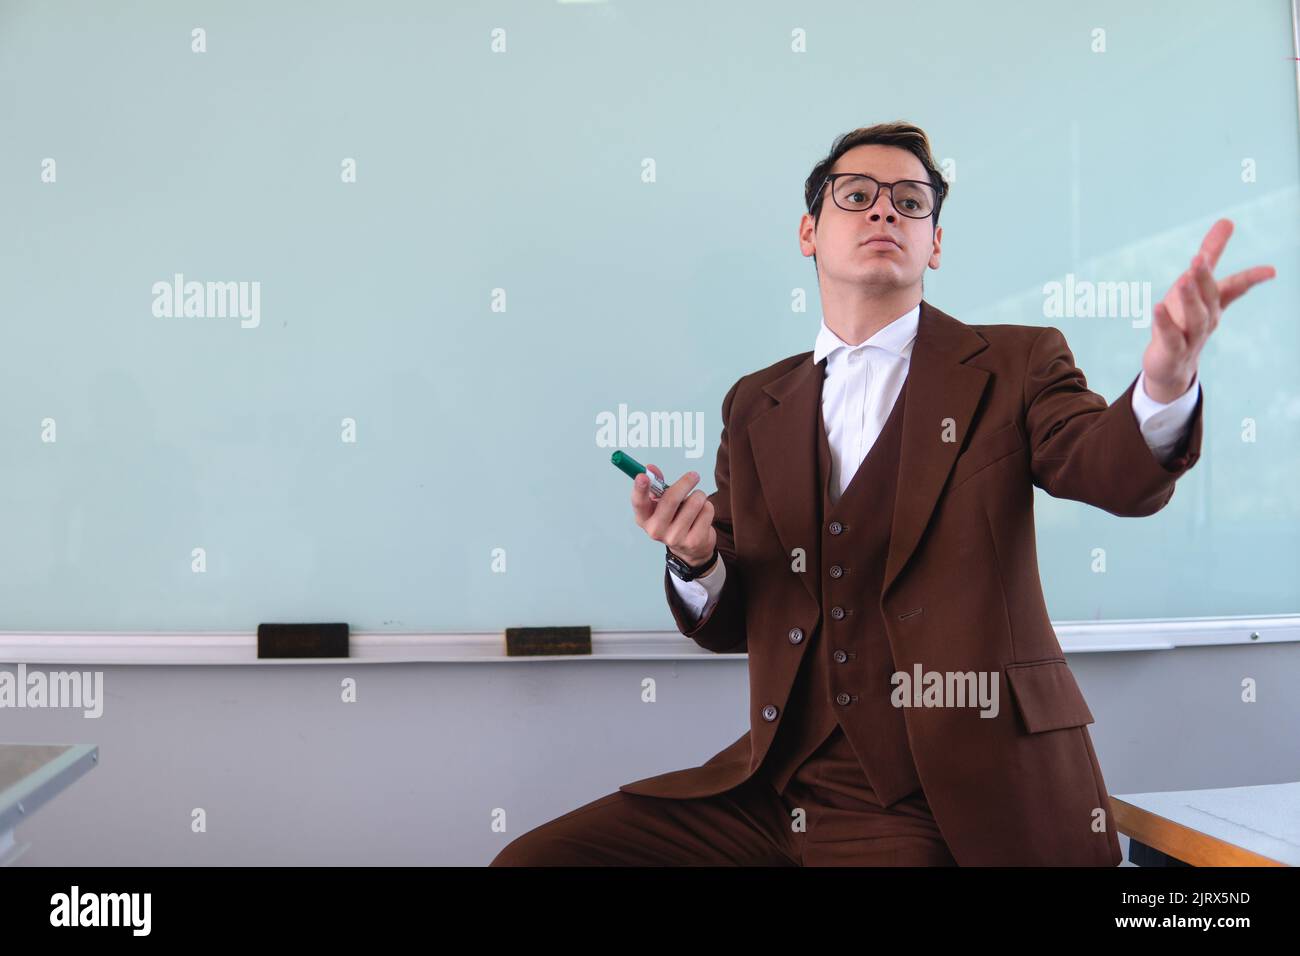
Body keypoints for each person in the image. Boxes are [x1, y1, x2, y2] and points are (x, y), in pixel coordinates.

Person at [491, 121, 1276, 866]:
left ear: (934, 243)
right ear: (810, 232)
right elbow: (735, 621)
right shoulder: (755, 403)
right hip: (773, 786)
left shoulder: (1015, 364)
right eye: (856, 194)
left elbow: (1107, 468)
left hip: (937, 796)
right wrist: (695, 559)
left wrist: (1166, 383)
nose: (884, 211)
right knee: (534, 860)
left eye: (910, 201)